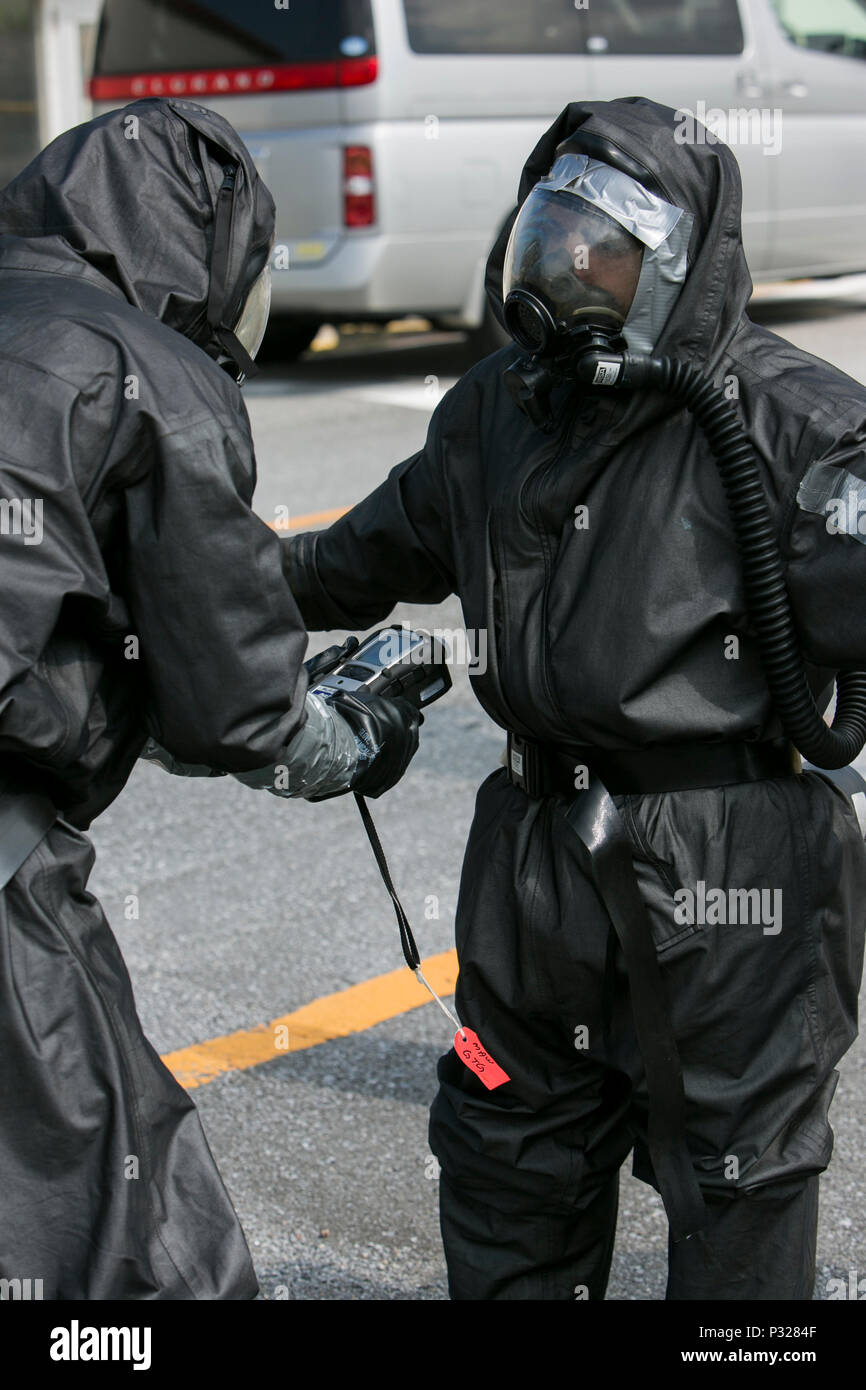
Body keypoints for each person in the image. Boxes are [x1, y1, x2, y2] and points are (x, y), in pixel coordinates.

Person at [284, 97, 866, 1300]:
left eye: (599, 252)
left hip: (728, 874)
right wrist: (159, 580)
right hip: (533, 860)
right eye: (550, 239)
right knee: (505, 1165)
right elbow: (344, 562)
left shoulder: (789, 424)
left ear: (670, 272)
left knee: (738, 1193)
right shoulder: (496, 409)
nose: (564, 273)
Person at [0, 97, 420, 1300]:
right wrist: (350, 730)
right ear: (201, 252)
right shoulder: (142, 369)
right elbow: (233, 705)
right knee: (135, 1242)